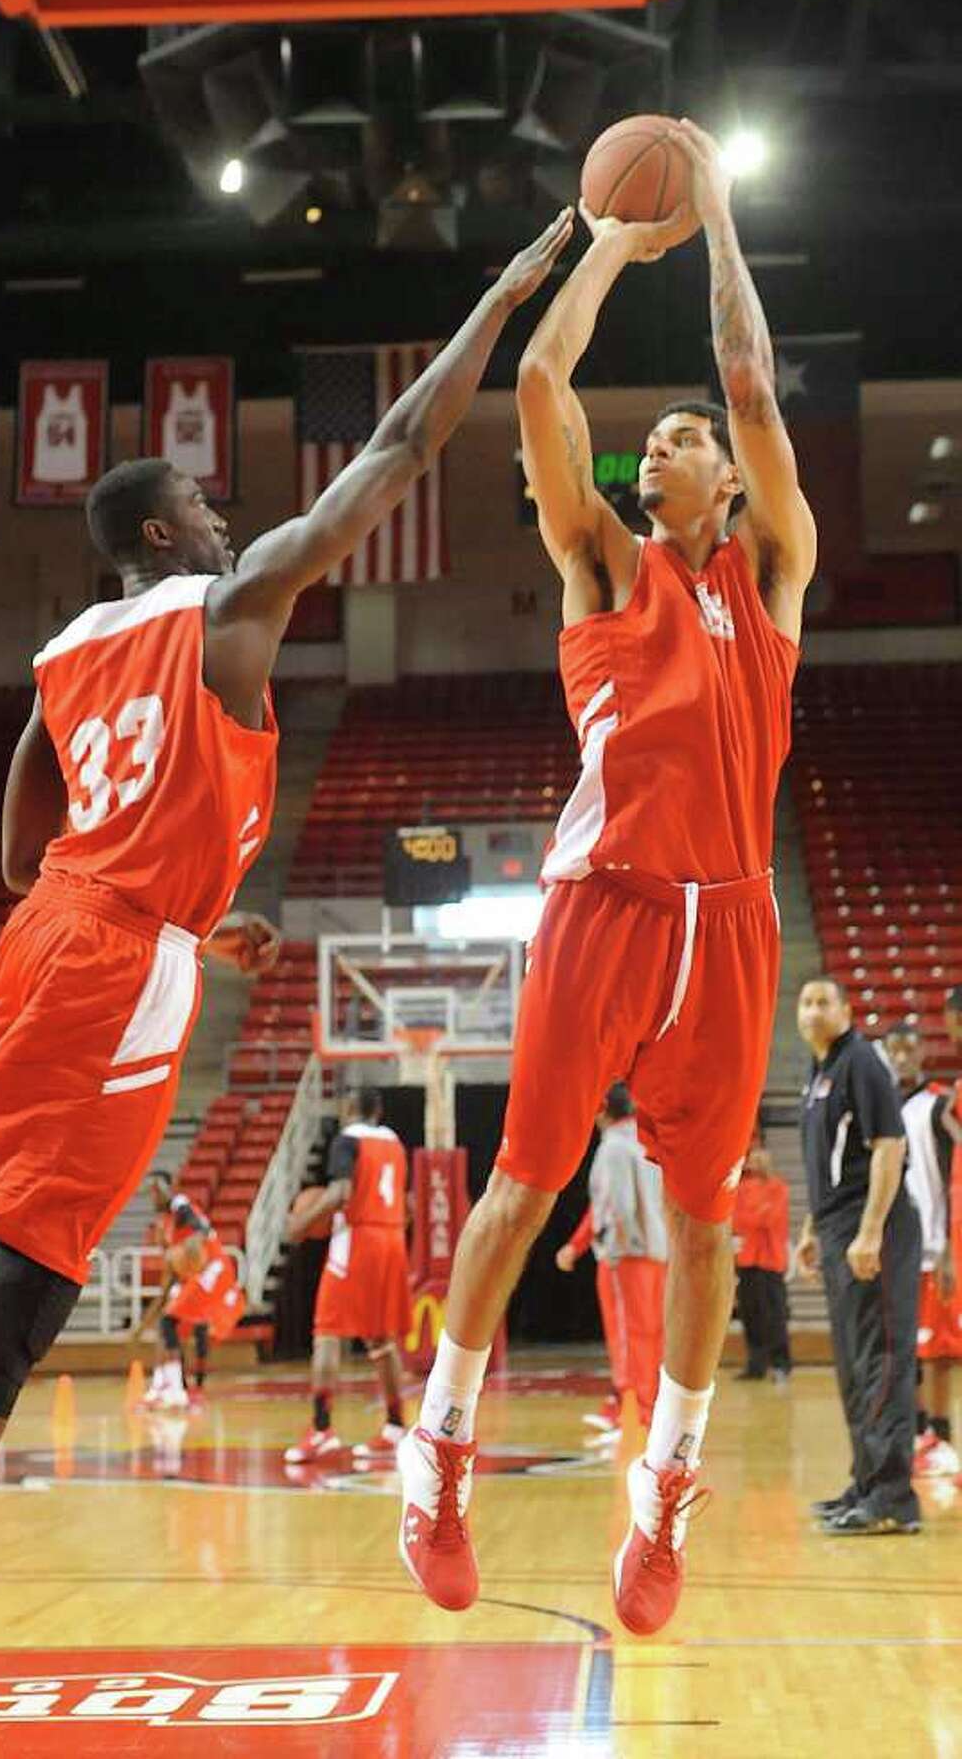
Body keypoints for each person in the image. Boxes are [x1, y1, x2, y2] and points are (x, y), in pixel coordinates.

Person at [0, 208, 574, 1756]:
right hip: (118, 958)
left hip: (55, 936)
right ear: (159, 536)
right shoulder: (227, 611)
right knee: (43, 1276)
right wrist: (508, 286)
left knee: (3, 1242)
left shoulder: (68, 648)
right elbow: (399, 446)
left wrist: (171, 910)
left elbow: (21, 846)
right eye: (202, 504)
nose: (222, 515)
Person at [398, 120, 816, 1636]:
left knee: (704, 1224)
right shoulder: (596, 559)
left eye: (692, 438)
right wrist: (599, 245)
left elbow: (756, 383)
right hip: (604, 903)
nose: (675, 440)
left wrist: (710, 217)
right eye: (662, 438)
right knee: (520, 1187)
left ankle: (665, 1495)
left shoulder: (771, 576)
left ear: (728, 483)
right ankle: (436, 1457)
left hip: (733, 918)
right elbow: (538, 385)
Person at [794, 979, 921, 1534]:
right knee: (852, 1364)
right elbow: (828, 1163)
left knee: (882, 1362)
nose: (814, 1010)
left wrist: (870, 1233)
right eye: (805, 1002)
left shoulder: (862, 1062)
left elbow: (889, 1147)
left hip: (878, 1226)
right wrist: (810, 1227)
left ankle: (893, 1496)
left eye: (825, 1001)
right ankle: (867, 1482)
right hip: (838, 1225)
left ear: (846, 1011)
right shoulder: (819, 1075)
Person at [285, 1089, 412, 1465]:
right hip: (392, 1240)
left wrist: (300, 1223)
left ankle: (322, 1430)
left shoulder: (347, 1141)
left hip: (357, 1239)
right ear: (380, 1110)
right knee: (381, 1341)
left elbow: (341, 1192)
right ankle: (394, 1427)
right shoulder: (395, 1145)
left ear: (352, 1109)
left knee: (326, 1334)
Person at [556, 1084, 667, 1436]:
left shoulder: (614, 1148)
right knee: (652, 1332)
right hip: (658, 1250)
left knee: (625, 1333)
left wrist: (608, 1246)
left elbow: (616, 1205)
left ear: (602, 1109)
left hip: (627, 1253)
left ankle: (629, 1408)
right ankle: (650, 1409)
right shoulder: (648, 1140)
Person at [885, 1022, 962, 1476]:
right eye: (894, 1050)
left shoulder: (937, 1105)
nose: (901, 1058)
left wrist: (951, 1246)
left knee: (939, 1349)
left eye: (908, 1050)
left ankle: (942, 1434)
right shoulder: (879, 1105)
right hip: (896, 1247)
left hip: (934, 1245)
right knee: (905, 1347)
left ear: (922, 1053)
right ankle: (917, 1433)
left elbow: (954, 1179)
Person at [136, 1172, 245, 1408]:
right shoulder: (165, 1225)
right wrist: (142, 1324)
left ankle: (183, 1388)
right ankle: (164, 1385)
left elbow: (201, 1231)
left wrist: (189, 1250)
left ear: (170, 1188)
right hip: (194, 1276)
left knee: (180, 1323)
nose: (154, 1195)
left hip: (213, 1267)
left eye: (157, 1188)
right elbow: (169, 1283)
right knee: (167, 1325)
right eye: (151, 1191)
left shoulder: (180, 1205)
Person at [732, 1138, 791, 1383]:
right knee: (750, 1313)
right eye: (752, 1159)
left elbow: (769, 1219)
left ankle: (781, 1363)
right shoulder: (741, 1188)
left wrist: (752, 1217)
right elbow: (737, 1220)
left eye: (759, 1160)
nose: (755, 1164)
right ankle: (755, 1364)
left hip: (771, 1259)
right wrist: (756, 1215)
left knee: (774, 1314)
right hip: (746, 1258)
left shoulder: (779, 1187)